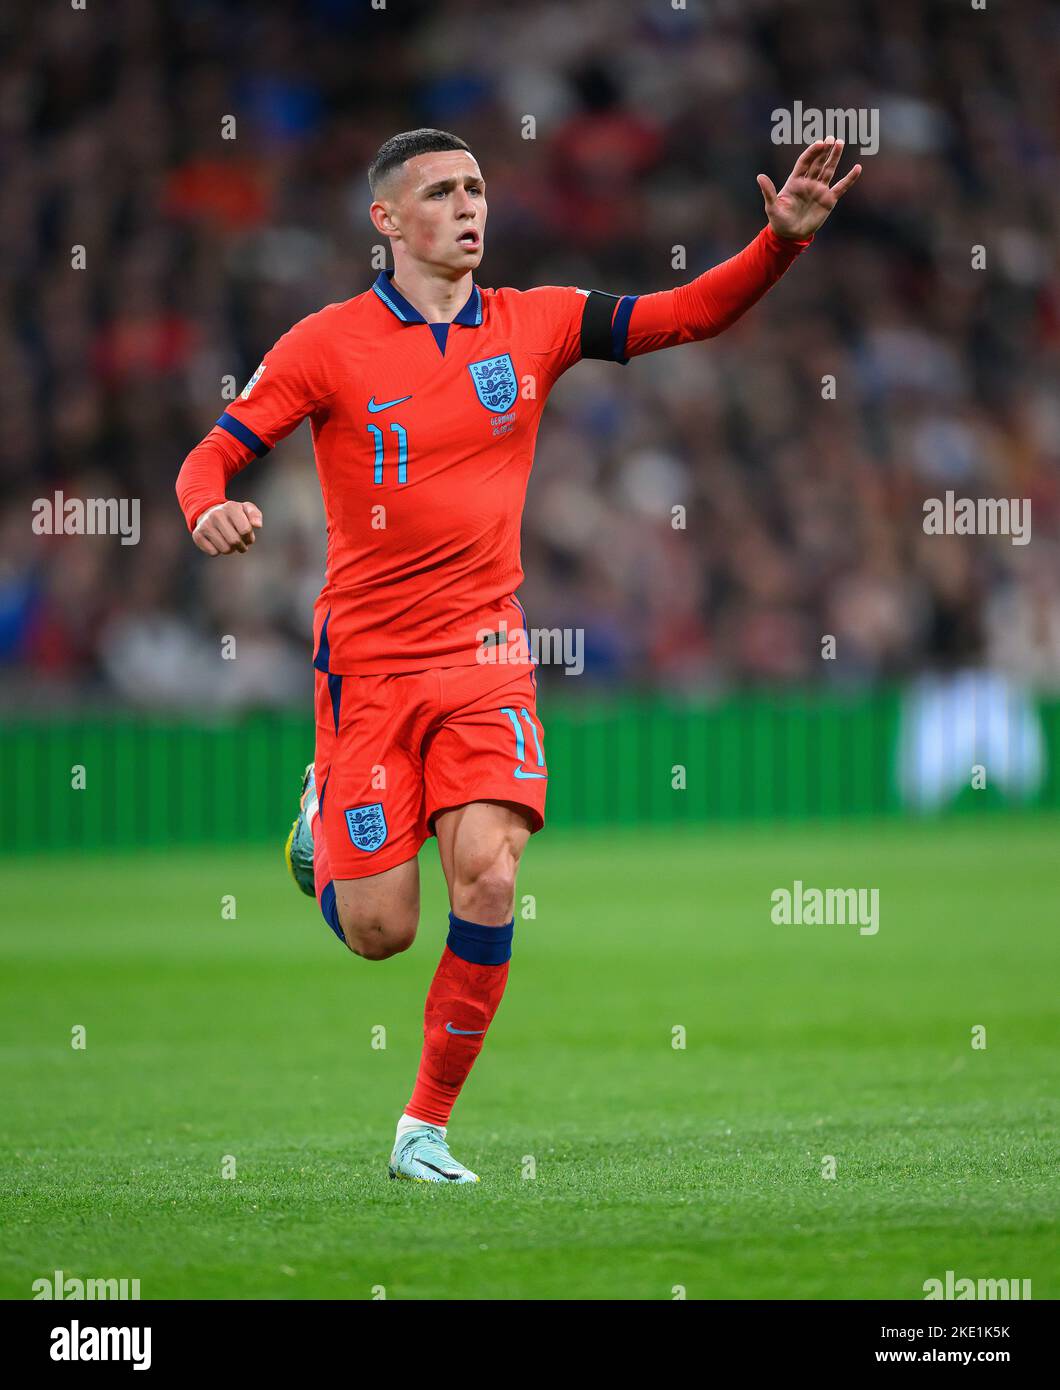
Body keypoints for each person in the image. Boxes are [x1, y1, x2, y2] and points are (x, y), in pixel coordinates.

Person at [175, 127, 861, 1183]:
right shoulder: (325, 342)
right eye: (442, 192)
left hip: (488, 652)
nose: (467, 206)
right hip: (366, 665)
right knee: (380, 931)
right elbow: (213, 453)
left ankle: (423, 1130)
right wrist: (207, 508)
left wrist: (777, 245)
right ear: (387, 221)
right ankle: (320, 827)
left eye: (477, 188)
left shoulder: (534, 322)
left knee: (489, 875)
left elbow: (684, 314)